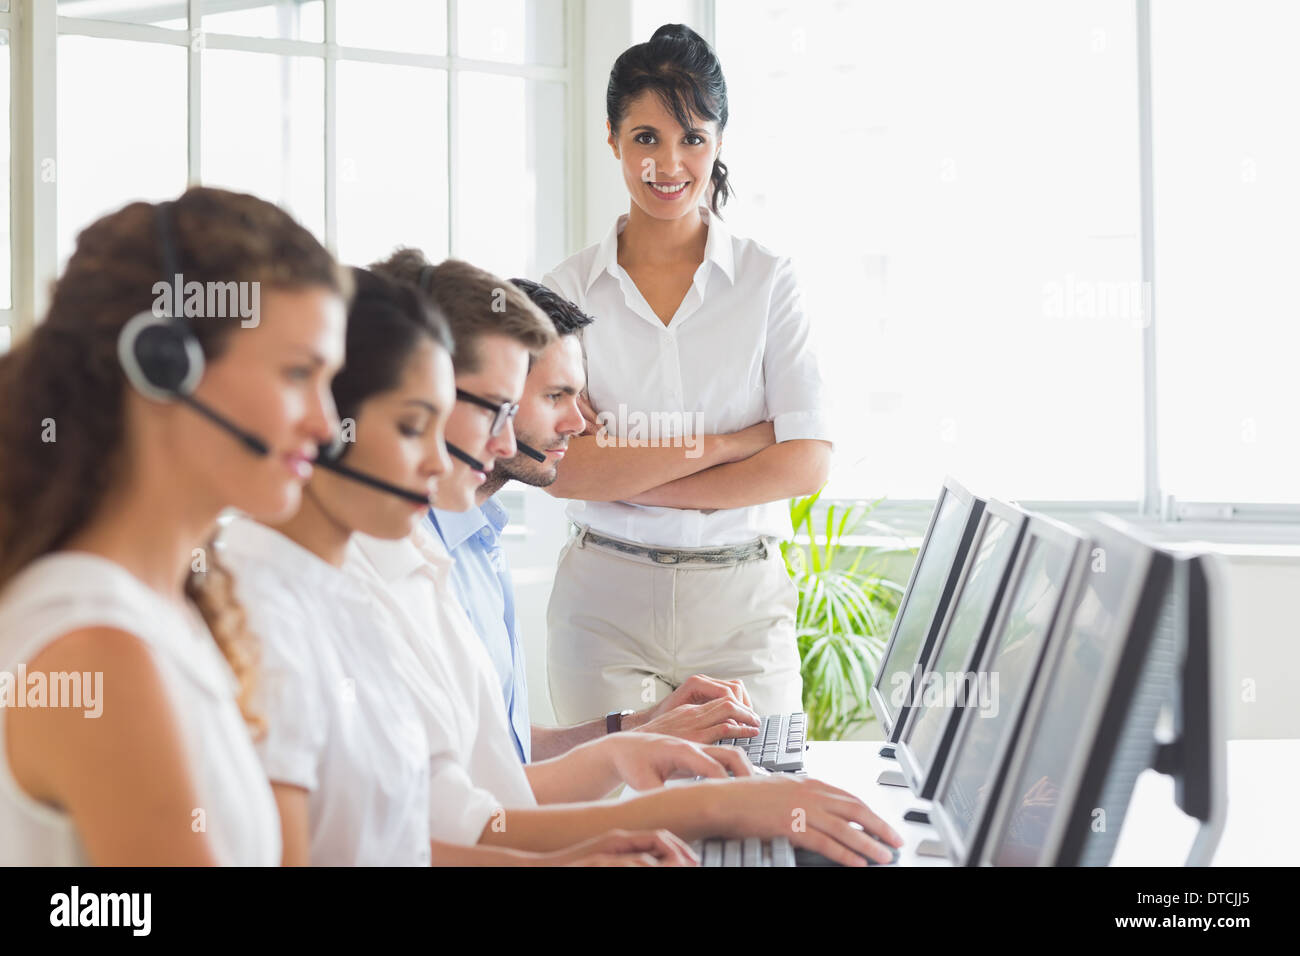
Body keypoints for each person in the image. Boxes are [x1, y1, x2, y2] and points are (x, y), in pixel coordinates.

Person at [354, 256, 901, 866]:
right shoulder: (381, 571)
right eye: (544, 398)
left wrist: (633, 732)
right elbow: (439, 823)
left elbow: (494, 763)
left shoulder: (470, 545)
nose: (580, 422)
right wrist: (688, 808)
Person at [220, 267, 693, 866]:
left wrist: (636, 758)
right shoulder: (271, 605)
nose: (466, 450)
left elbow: (463, 806)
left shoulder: (415, 563)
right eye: (415, 425)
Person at [0, 188, 347, 864]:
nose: (327, 425)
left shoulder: (161, 611)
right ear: (164, 363)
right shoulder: (98, 646)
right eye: (298, 373)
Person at [541, 24, 833, 724]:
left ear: (719, 141)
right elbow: (563, 468)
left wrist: (633, 475)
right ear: (612, 139)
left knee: (757, 807)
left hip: (741, 609)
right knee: (610, 818)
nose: (668, 163)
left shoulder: (768, 282)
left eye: (691, 138)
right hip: (604, 606)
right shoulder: (566, 291)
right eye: (645, 138)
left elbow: (805, 463)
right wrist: (736, 444)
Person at [422, 273, 762, 762]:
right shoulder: (414, 554)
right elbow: (471, 803)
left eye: (577, 397)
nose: (578, 424)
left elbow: (509, 754)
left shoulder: (480, 538)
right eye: (554, 397)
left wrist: (646, 727)